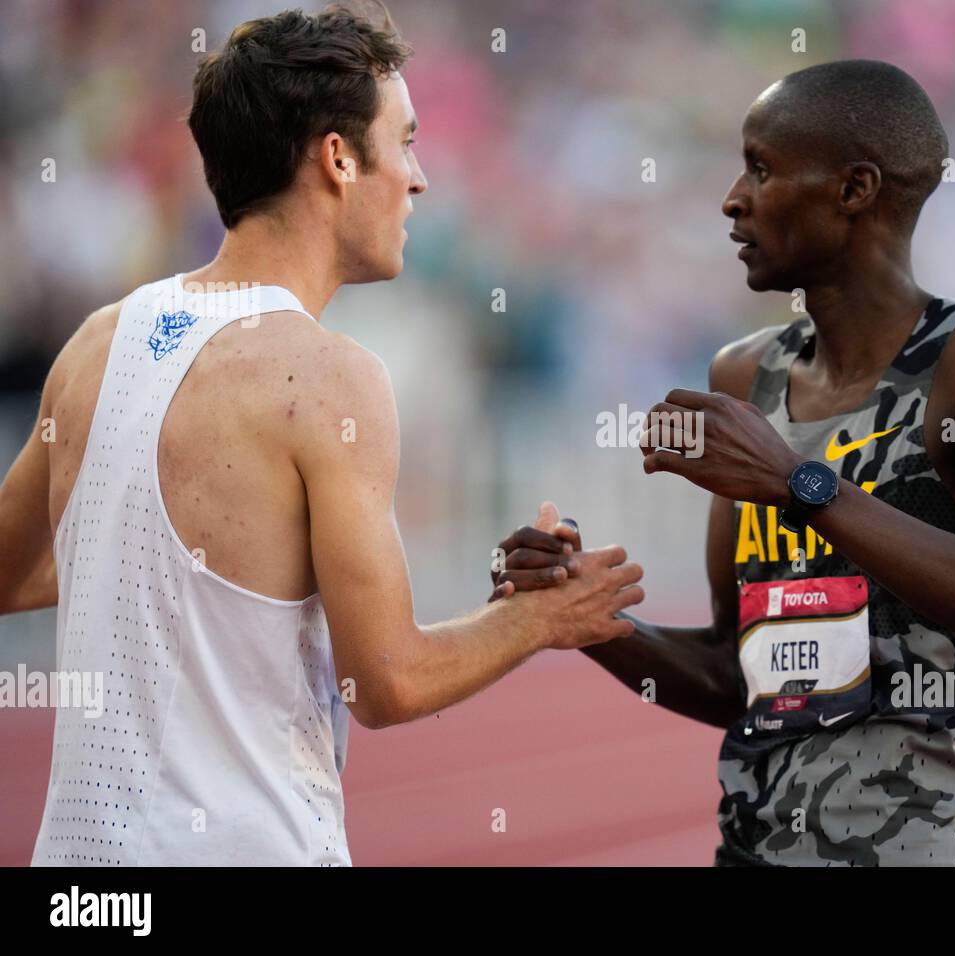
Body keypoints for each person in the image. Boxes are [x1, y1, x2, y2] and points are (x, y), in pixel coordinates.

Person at [0, 3, 642, 866]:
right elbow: (386, 680)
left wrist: (133, 557)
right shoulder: (330, 376)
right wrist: (543, 620)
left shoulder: (96, 342)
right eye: (405, 141)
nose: (418, 179)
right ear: (338, 158)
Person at [494, 60, 955, 866]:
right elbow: (737, 677)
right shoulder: (746, 377)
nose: (733, 198)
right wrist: (585, 617)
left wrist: (798, 485)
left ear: (854, 189)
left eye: (761, 168)